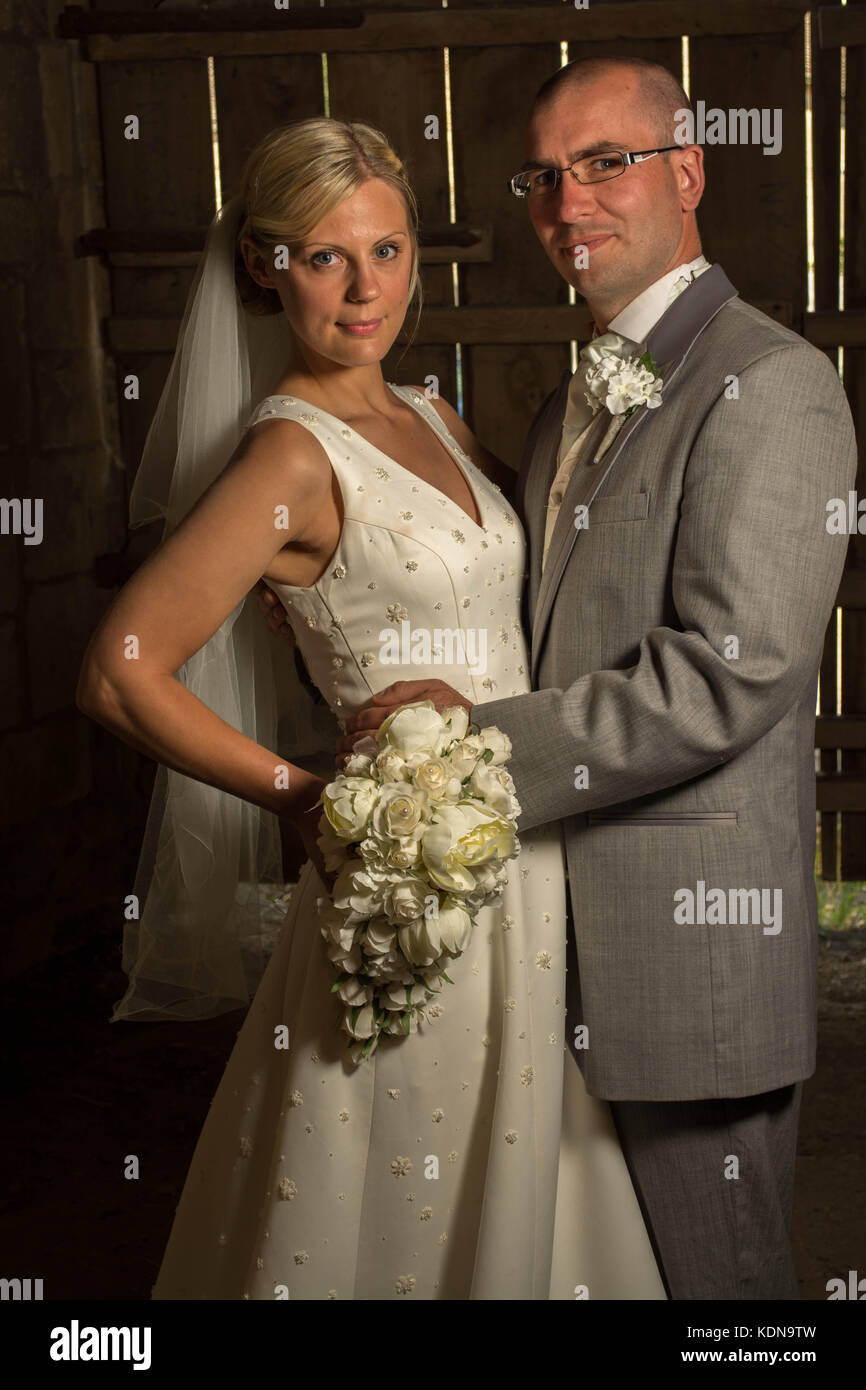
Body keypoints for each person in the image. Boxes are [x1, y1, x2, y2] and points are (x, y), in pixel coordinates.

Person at [263, 59, 858, 1300]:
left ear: (686, 173)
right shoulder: (559, 403)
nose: (566, 201)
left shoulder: (774, 386)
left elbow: (727, 674)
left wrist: (468, 747)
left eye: (606, 163)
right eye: (543, 176)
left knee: (724, 1306)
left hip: (687, 966)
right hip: (534, 952)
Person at [76, 116, 666, 1300]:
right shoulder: (288, 460)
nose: (362, 290)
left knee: (535, 1169)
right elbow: (116, 669)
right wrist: (299, 793)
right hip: (412, 886)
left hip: (527, 856)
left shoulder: (434, 414)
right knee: (409, 1182)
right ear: (263, 266)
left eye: (386, 251)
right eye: (322, 256)